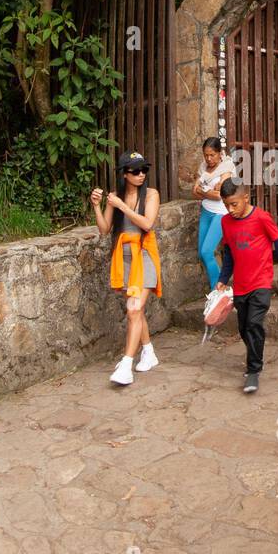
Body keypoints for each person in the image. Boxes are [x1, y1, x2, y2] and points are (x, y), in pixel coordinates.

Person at [215, 180, 278, 394]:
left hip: (261, 282)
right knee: (244, 328)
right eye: (226, 205)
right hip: (240, 285)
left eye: (234, 204)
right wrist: (224, 278)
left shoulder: (261, 217)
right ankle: (256, 351)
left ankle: (254, 369)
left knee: (253, 323)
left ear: (246, 198)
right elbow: (229, 254)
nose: (230, 209)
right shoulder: (226, 222)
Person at [91, 150, 163, 386]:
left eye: (144, 169)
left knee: (133, 310)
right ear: (124, 174)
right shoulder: (115, 196)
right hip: (123, 258)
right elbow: (104, 229)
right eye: (135, 170)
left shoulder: (151, 194)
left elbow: (147, 223)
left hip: (144, 255)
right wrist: (97, 206)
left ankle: (126, 364)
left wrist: (122, 206)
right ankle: (149, 351)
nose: (141, 174)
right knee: (136, 310)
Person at [193, 137, 237, 289]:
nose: (209, 158)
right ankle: (220, 287)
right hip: (206, 211)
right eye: (206, 155)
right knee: (201, 253)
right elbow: (195, 191)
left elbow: (219, 195)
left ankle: (217, 289)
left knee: (207, 251)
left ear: (220, 153)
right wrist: (207, 191)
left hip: (220, 214)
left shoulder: (227, 166)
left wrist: (203, 190)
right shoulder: (203, 167)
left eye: (212, 155)